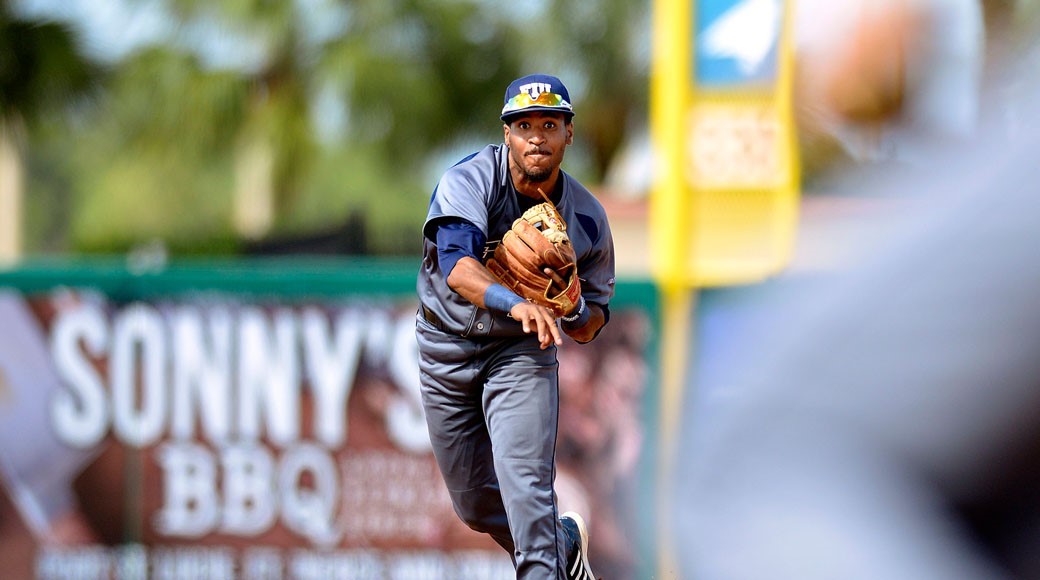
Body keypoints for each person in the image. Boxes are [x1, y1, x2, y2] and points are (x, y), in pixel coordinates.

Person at [415, 73, 615, 579]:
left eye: (550, 123)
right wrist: (515, 301)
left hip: (521, 354)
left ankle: (546, 557)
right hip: (447, 344)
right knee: (475, 505)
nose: (536, 136)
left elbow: (591, 325)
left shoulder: (587, 218)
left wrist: (569, 307)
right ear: (506, 133)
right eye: (523, 124)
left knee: (527, 495)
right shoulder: (470, 180)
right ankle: (563, 541)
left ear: (569, 133)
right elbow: (458, 265)